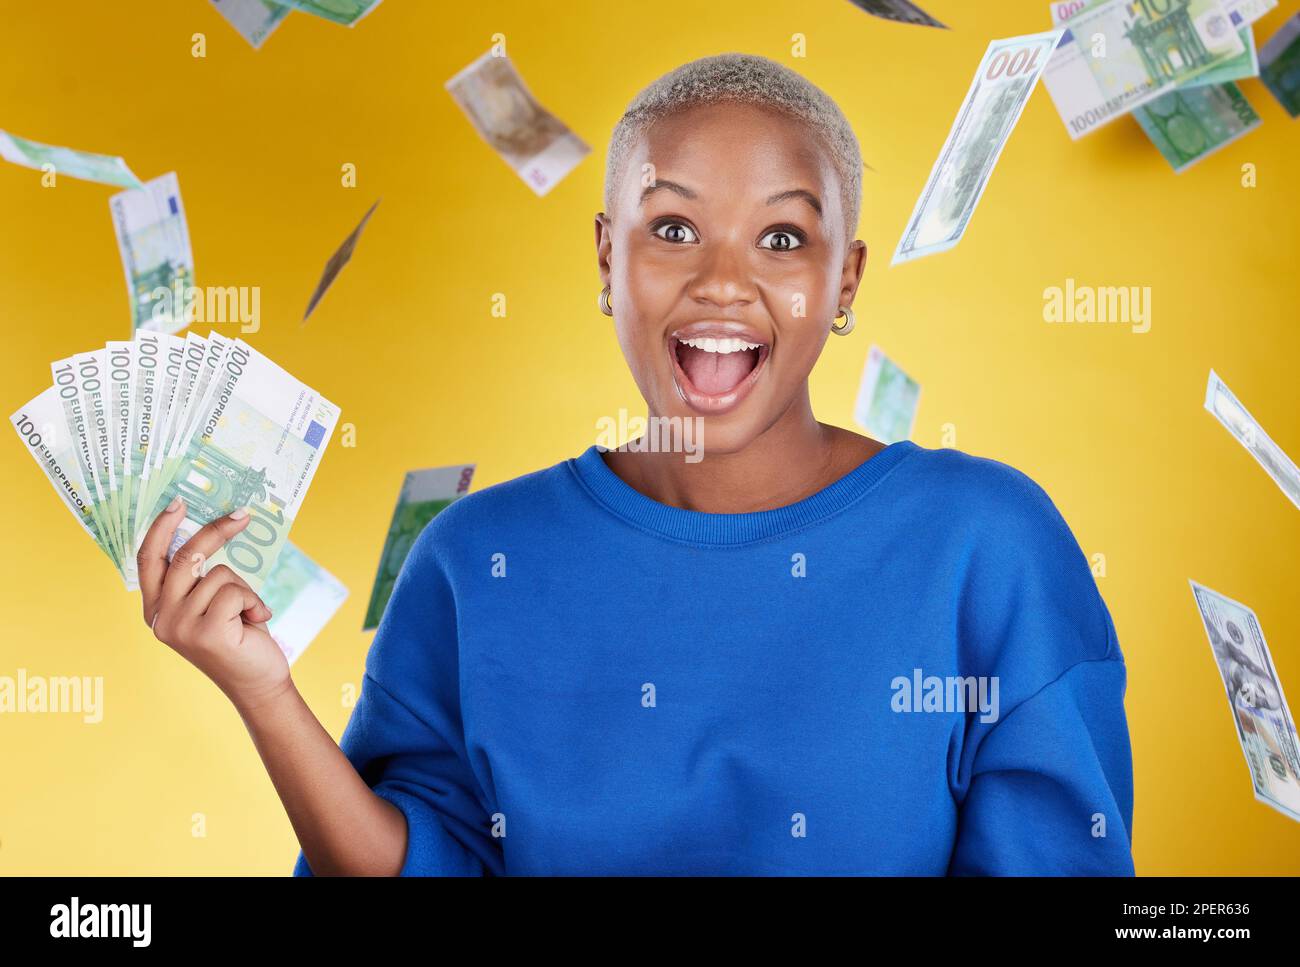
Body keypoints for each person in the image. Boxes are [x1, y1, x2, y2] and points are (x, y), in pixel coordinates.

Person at [138, 52, 1135, 875]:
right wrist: (262, 691)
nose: (722, 283)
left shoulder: (987, 546)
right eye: (672, 229)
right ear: (608, 261)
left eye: (782, 237)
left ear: (844, 279)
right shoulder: (472, 560)